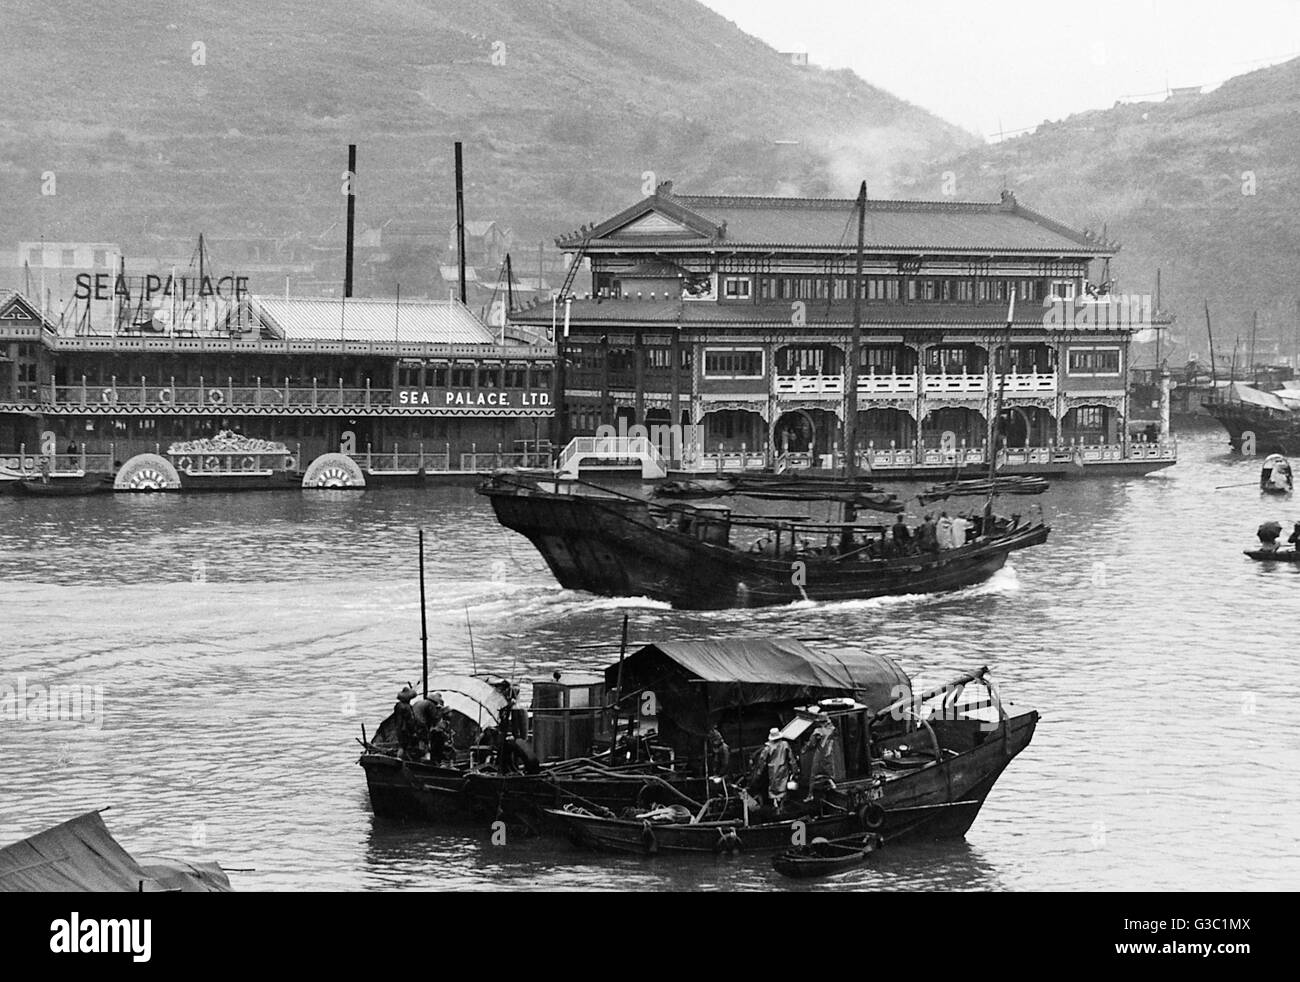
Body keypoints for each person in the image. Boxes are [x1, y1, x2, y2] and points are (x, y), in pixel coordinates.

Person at [749, 727, 796, 809]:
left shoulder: (768, 748)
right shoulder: (785, 744)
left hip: (772, 770)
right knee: (783, 786)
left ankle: (775, 805)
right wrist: (794, 769)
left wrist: (758, 774)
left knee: (773, 788)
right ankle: (781, 804)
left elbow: (762, 762)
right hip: (783, 769)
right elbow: (791, 758)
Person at [392, 685, 423, 760]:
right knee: (405, 745)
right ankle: (402, 758)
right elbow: (410, 721)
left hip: (399, 728)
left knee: (402, 744)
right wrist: (413, 731)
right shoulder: (406, 707)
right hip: (405, 729)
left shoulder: (398, 705)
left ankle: (402, 757)